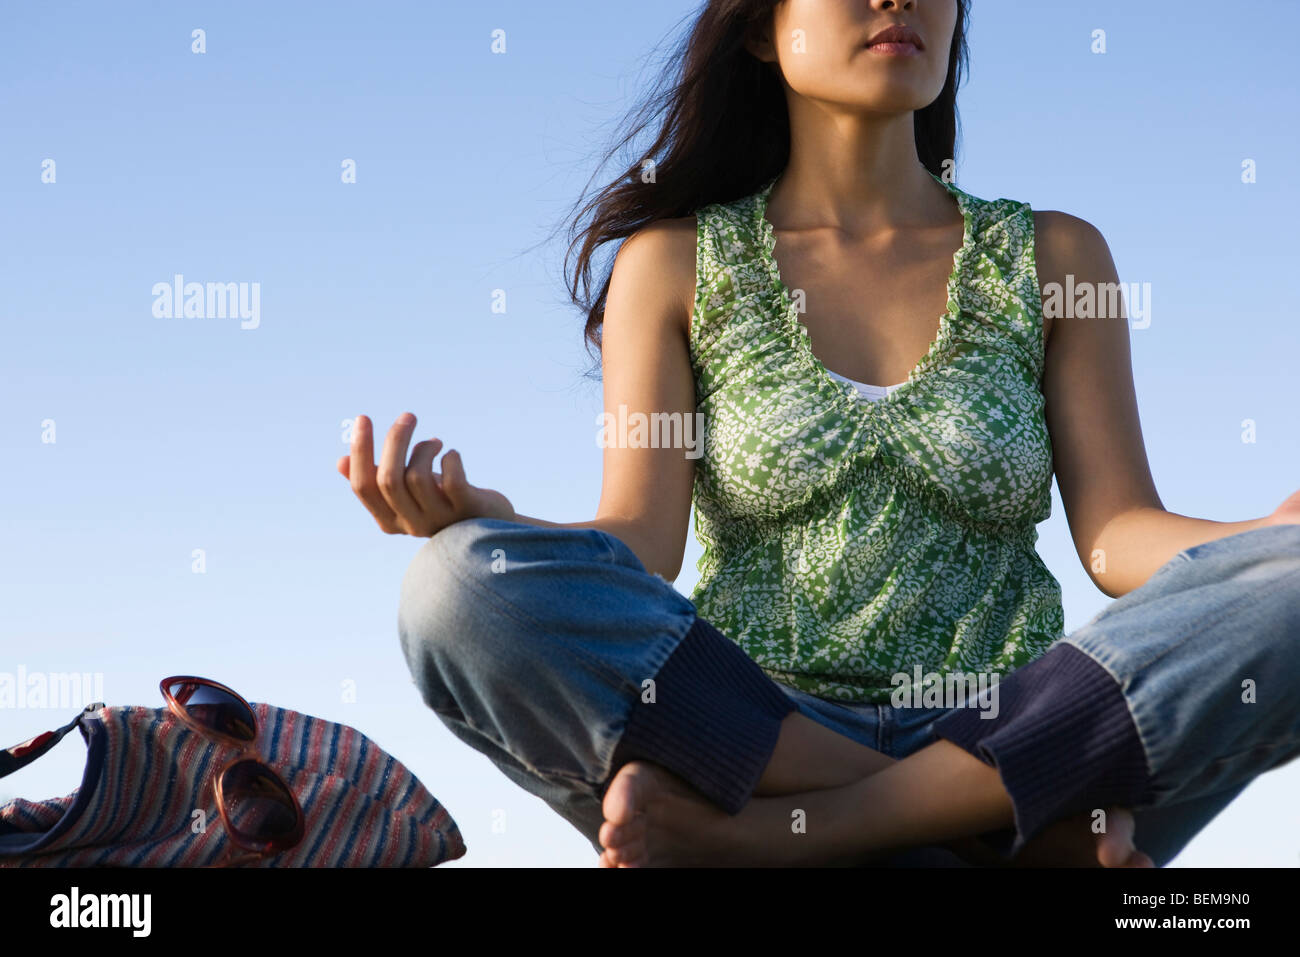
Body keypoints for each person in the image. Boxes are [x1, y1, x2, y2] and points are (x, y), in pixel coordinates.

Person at [338, 0, 1300, 867]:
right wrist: (506, 533)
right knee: (455, 586)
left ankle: (802, 839)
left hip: (1018, 714)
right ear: (763, 28)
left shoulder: (1054, 255)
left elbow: (1116, 531)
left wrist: (1265, 544)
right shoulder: (674, 266)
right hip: (764, 730)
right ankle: (974, 820)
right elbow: (640, 544)